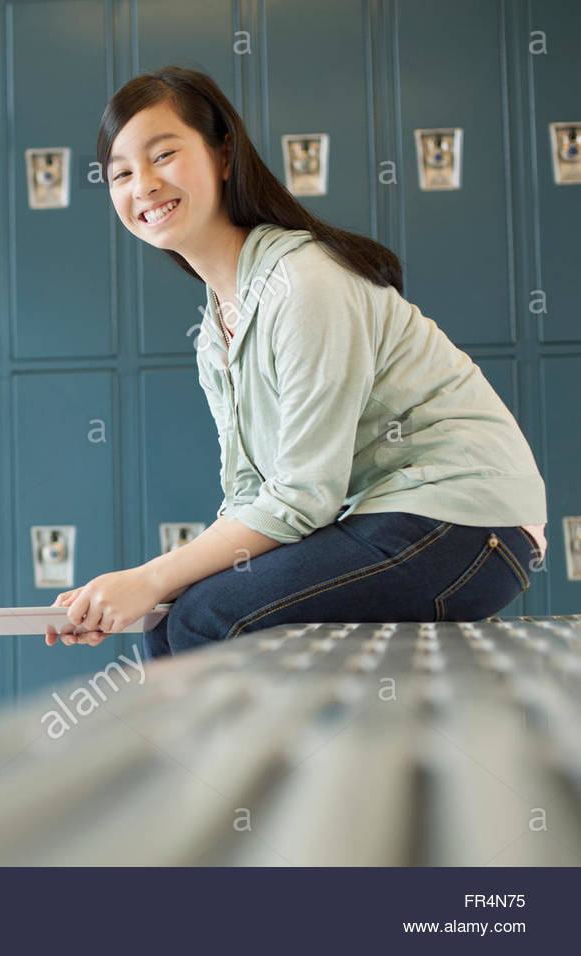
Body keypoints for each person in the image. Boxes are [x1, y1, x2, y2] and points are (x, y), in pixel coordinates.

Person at [44, 66, 548, 657]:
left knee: (207, 616)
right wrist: (142, 592)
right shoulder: (218, 329)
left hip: (464, 524)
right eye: (121, 173)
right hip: (386, 521)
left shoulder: (304, 282)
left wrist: (151, 577)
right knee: (173, 616)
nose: (144, 185)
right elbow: (250, 494)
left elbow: (305, 494)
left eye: (163, 155)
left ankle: (229, 752)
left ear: (224, 155)